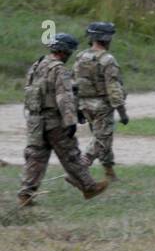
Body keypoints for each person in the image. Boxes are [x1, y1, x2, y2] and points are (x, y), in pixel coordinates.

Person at [18, 33, 108, 207]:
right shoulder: (59, 69)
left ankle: (26, 194)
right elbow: (63, 98)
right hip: (54, 122)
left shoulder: (37, 64)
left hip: (35, 120)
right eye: (70, 52)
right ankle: (89, 187)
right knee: (71, 155)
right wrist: (70, 121)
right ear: (64, 51)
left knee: (35, 157)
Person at [74, 21, 128, 179]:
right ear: (107, 39)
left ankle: (109, 172)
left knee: (104, 138)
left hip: (85, 105)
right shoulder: (107, 59)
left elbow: (75, 84)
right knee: (101, 139)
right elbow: (114, 88)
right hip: (101, 106)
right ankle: (81, 168)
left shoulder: (80, 57)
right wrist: (122, 112)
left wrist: (78, 108)